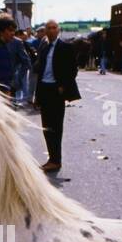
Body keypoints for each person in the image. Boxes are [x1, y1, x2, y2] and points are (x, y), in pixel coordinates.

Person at [33, 18, 80, 173]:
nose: (51, 30)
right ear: (45, 31)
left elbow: (73, 69)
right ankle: (51, 159)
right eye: (48, 28)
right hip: (44, 89)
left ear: (58, 30)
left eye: (54, 27)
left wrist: (63, 86)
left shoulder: (66, 47)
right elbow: (40, 72)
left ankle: (56, 160)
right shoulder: (44, 47)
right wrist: (37, 96)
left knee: (56, 127)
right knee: (46, 127)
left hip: (56, 90)